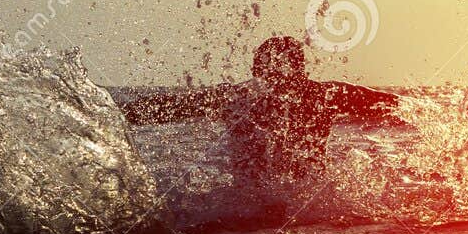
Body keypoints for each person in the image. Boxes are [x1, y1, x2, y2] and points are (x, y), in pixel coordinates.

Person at [121, 35, 402, 184]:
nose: (273, 79)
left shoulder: (240, 98)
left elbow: (174, 107)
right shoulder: (324, 94)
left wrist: (114, 113)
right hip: (306, 203)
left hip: (253, 205)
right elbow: (398, 106)